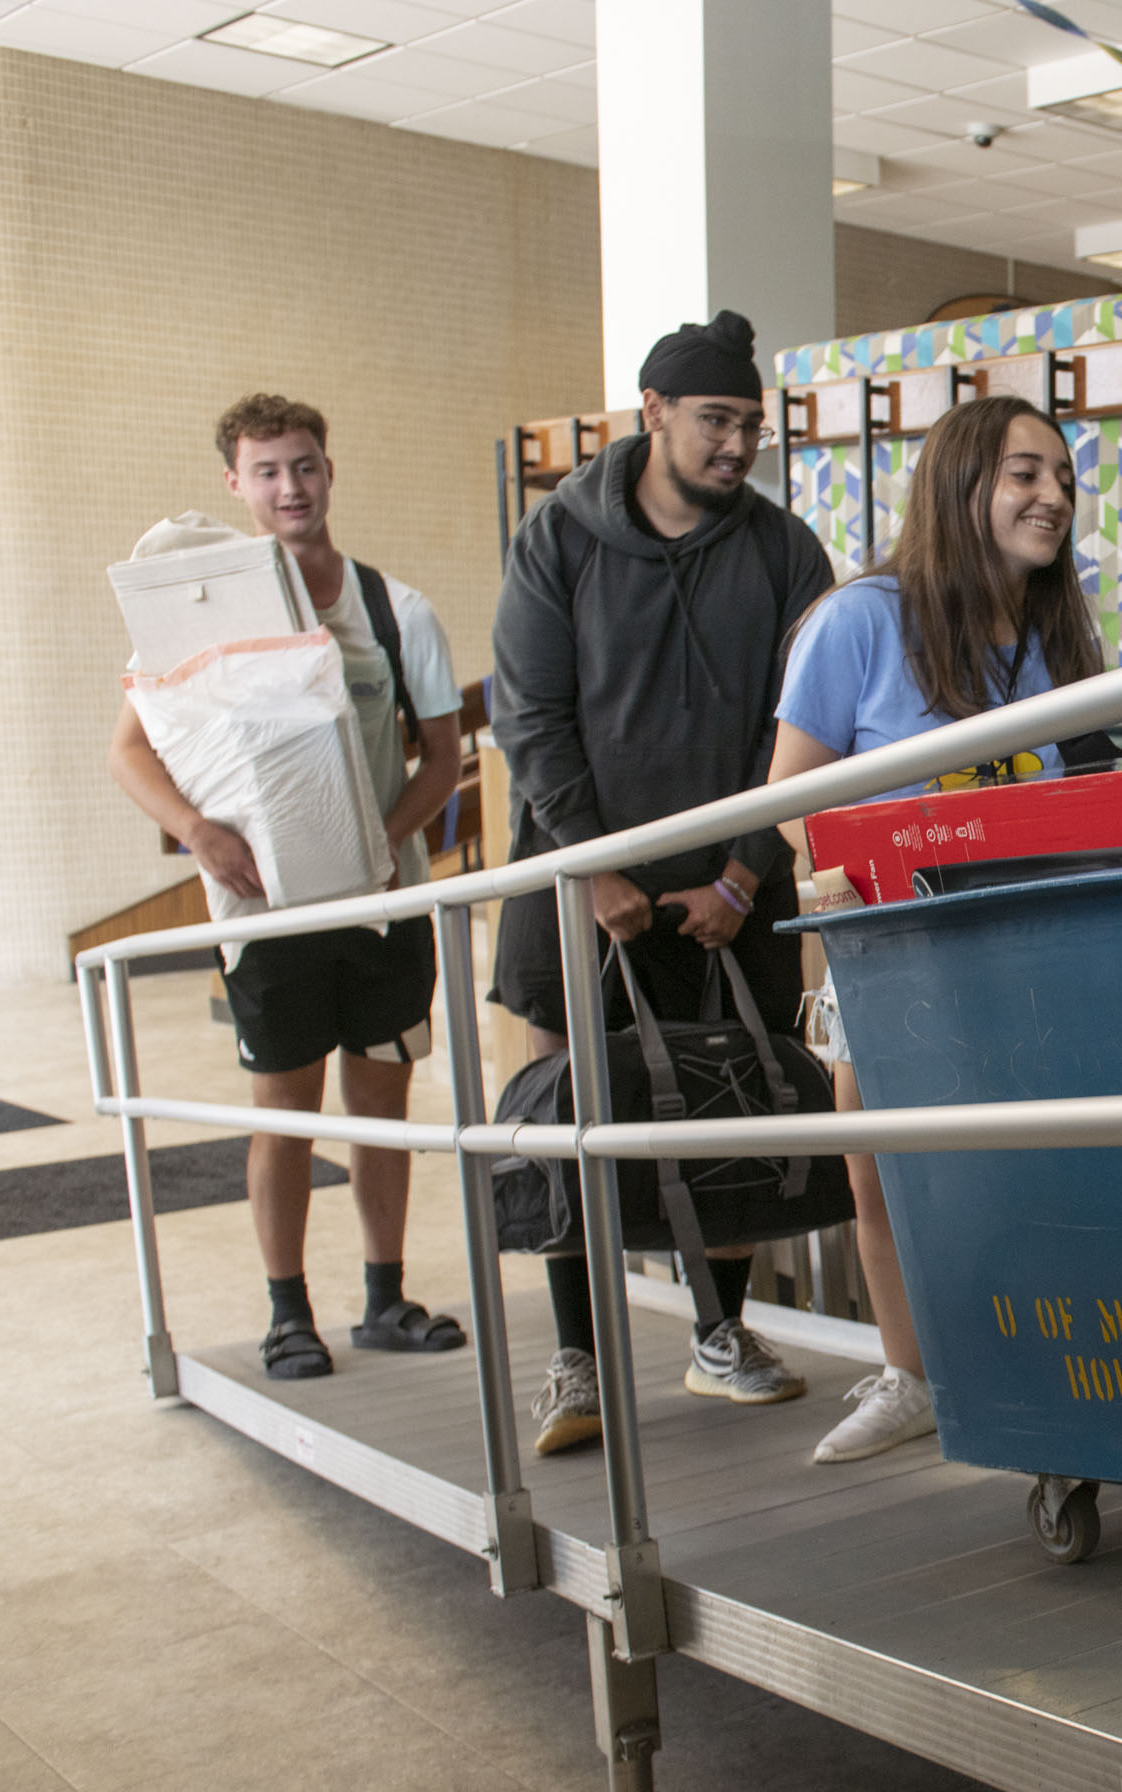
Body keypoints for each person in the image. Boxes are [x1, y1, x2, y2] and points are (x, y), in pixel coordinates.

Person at [490, 311, 834, 1455]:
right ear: (652, 414)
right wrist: (594, 868)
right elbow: (529, 717)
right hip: (576, 875)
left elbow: (808, 725)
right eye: (715, 422)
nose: (738, 445)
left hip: (733, 888)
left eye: (750, 424)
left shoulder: (786, 551)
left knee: (733, 1102)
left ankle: (718, 1334)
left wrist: (744, 871)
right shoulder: (558, 539)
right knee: (567, 1109)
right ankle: (576, 1357)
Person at [768, 394, 1103, 1462]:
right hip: (895, 947)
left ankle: (1030, 1360)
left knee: (1025, 1168)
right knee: (882, 1166)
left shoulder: (1055, 634)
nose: (1052, 495)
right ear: (962, 486)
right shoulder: (860, 618)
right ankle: (910, 1373)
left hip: (1024, 944)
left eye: (1061, 475)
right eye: (1023, 473)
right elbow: (788, 800)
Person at [108, 395, 468, 1379]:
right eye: (266, 471)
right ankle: (286, 1312)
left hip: (382, 902)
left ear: (329, 469)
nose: (289, 487)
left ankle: (386, 1296)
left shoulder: (396, 610)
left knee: (377, 1102)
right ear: (235, 484)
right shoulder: (200, 619)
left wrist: (372, 847)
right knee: (284, 1109)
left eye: (304, 465)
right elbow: (132, 749)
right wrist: (197, 833)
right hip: (264, 914)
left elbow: (441, 759)